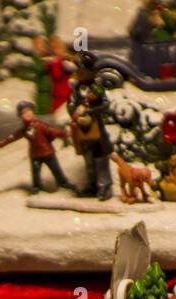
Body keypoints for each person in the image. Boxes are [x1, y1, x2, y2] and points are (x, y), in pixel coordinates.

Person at [0, 101, 74, 194]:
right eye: (23, 113)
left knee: (56, 170)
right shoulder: (24, 130)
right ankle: (37, 189)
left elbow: (52, 132)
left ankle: (64, 184)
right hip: (35, 155)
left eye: (28, 111)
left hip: (47, 153)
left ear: (32, 112)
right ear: (20, 116)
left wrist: (66, 133)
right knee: (35, 175)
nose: (27, 114)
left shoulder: (40, 125)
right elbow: (12, 137)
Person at [67, 53, 113, 200]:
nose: (78, 74)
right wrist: (75, 112)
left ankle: (105, 186)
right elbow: (71, 103)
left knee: (101, 158)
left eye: (81, 71)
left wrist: (89, 110)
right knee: (88, 159)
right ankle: (92, 185)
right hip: (82, 130)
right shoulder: (76, 88)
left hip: (96, 128)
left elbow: (105, 104)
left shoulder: (96, 88)